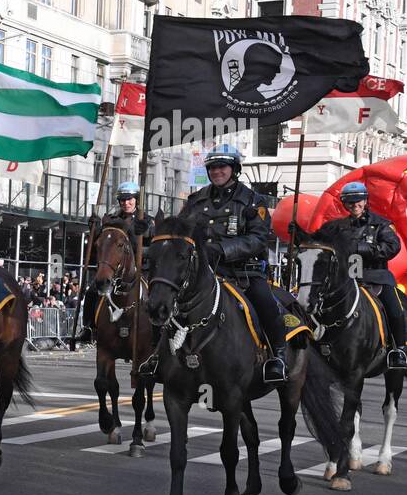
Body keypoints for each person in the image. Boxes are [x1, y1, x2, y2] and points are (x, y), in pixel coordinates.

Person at [140, 144, 290, 383]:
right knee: (166, 299)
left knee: (265, 301)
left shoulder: (253, 201)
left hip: (242, 272)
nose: (217, 171)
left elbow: (259, 239)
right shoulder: (196, 201)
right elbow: (180, 233)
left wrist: (222, 248)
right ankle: (158, 355)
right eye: (212, 168)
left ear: (234, 169)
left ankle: (277, 357)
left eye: (222, 167)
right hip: (205, 271)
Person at [308, 180, 407, 369]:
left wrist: (361, 248)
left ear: (365, 201)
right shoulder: (336, 226)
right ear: (345, 204)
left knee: (395, 309)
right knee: (313, 306)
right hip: (346, 279)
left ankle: (399, 350)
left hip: (375, 277)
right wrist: (299, 233)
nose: (355, 205)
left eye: (358, 201)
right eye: (350, 202)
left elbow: (392, 247)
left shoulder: (381, 225)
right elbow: (316, 241)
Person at [76, 180, 152, 343]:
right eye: (122, 200)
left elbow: (154, 247)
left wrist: (142, 237)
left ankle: (160, 329)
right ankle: (89, 327)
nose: (126, 203)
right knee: (91, 292)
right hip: (115, 270)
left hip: (141, 269)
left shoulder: (147, 220)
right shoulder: (109, 219)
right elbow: (101, 245)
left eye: (129, 199)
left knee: (159, 293)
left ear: (136, 199)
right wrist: (95, 229)